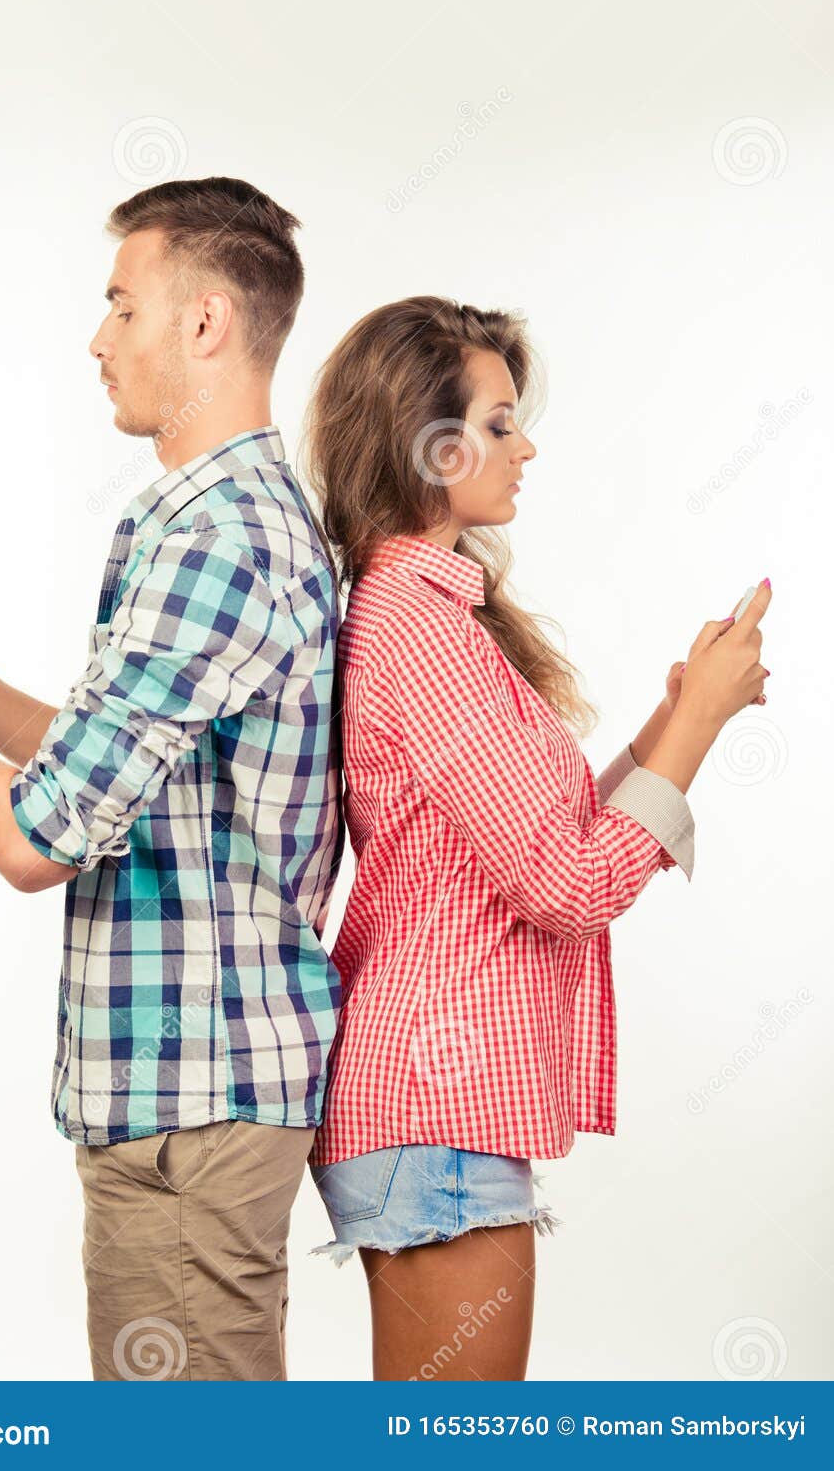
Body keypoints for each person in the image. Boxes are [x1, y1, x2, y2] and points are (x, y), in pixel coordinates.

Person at [0, 177, 345, 1382]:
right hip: (188, 1102)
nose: (98, 341)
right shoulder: (217, 519)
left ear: (204, 322)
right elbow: (121, 771)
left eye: (121, 306)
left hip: (193, 1107)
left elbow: (33, 839)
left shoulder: (218, 540)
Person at [300, 296, 772, 1382]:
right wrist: (697, 724)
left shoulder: (421, 615)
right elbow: (567, 883)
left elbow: (534, 839)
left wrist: (675, 714)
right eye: (501, 421)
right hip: (433, 1105)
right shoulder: (420, 630)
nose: (527, 446)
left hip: (430, 1106)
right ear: (432, 442)